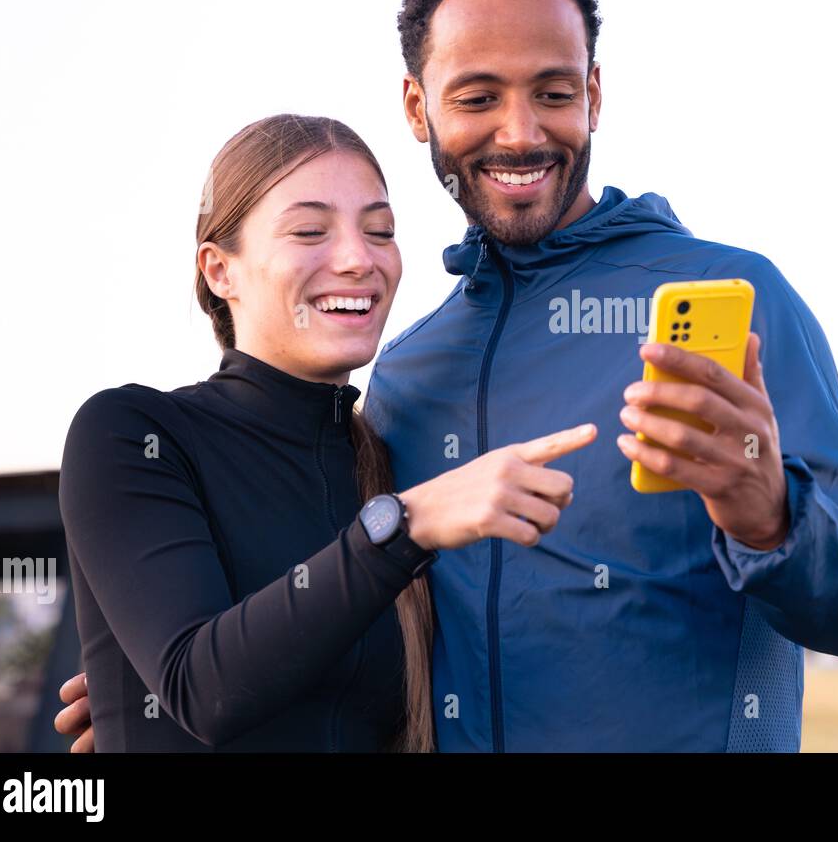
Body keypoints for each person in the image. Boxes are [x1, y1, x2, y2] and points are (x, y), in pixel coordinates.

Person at [59, 0, 838, 753]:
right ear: (417, 106)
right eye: (477, 97)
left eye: (553, 92)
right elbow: (350, 617)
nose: (520, 133)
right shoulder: (404, 375)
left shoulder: (737, 302)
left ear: (595, 94)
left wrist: (772, 519)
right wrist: (156, 699)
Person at [56, 113, 594, 751]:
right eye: (310, 231)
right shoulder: (133, 434)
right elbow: (202, 689)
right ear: (218, 270)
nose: (357, 258)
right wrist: (405, 526)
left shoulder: (393, 462)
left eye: (380, 231)